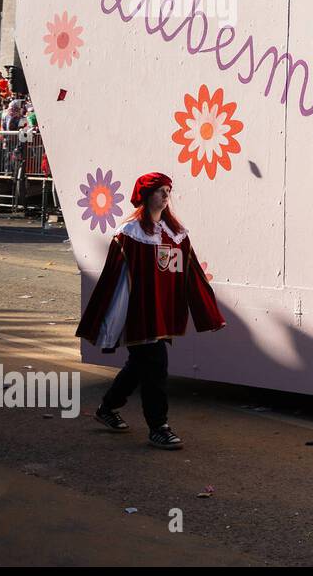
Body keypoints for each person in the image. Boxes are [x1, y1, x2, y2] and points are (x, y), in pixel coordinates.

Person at [77, 173, 226, 449]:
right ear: (146, 196)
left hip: (163, 314)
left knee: (138, 366)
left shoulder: (176, 234)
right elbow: (114, 280)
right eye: (160, 191)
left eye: (168, 190)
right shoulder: (130, 234)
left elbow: (192, 275)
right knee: (156, 367)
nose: (166, 195)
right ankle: (158, 426)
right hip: (140, 315)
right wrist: (111, 321)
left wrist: (209, 313)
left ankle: (107, 408)